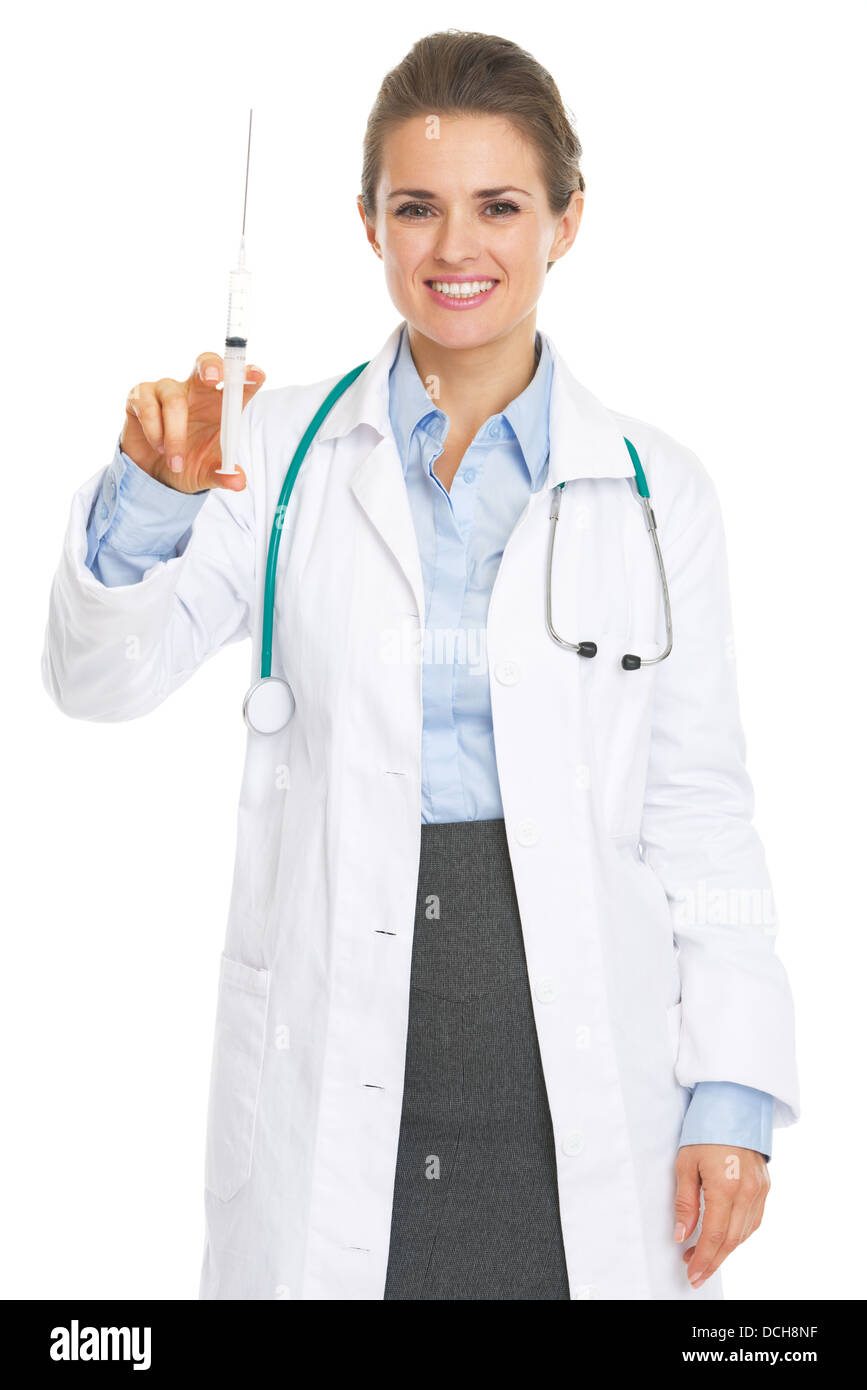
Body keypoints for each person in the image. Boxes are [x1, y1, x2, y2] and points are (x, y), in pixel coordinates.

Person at [42, 31, 799, 1300]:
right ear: (369, 224)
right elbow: (96, 681)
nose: (457, 248)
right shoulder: (266, 452)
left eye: (501, 206)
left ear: (566, 221)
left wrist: (731, 1090)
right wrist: (152, 501)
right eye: (417, 208)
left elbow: (699, 807)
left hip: (572, 1079)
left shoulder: (659, 490)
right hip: (337, 1063)